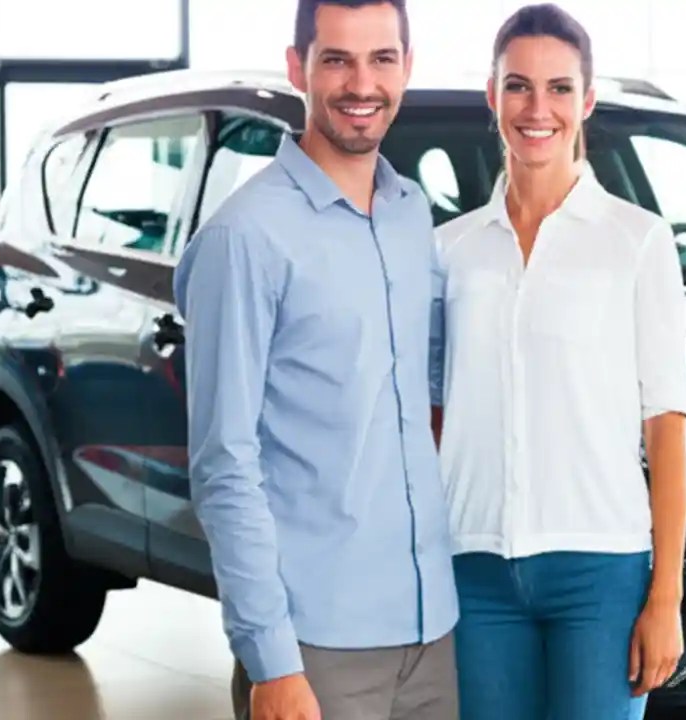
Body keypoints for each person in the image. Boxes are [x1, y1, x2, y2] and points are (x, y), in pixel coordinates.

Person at [173, 1, 459, 719]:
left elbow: (425, 399)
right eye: (337, 59)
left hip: (434, 630)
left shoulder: (410, 212)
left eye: (381, 59)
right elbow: (222, 463)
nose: (362, 84)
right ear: (297, 66)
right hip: (317, 646)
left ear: (407, 66)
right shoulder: (245, 238)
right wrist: (271, 659)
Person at [431, 4, 686, 719]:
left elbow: (665, 425)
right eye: (518, 86)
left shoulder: (636, 241)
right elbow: (432, 413)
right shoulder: (450, 250)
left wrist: (665, 595)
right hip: (474, 568)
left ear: (587, 99)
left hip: (599, 572)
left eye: (557, 87)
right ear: (492, 96)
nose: (536, 107)